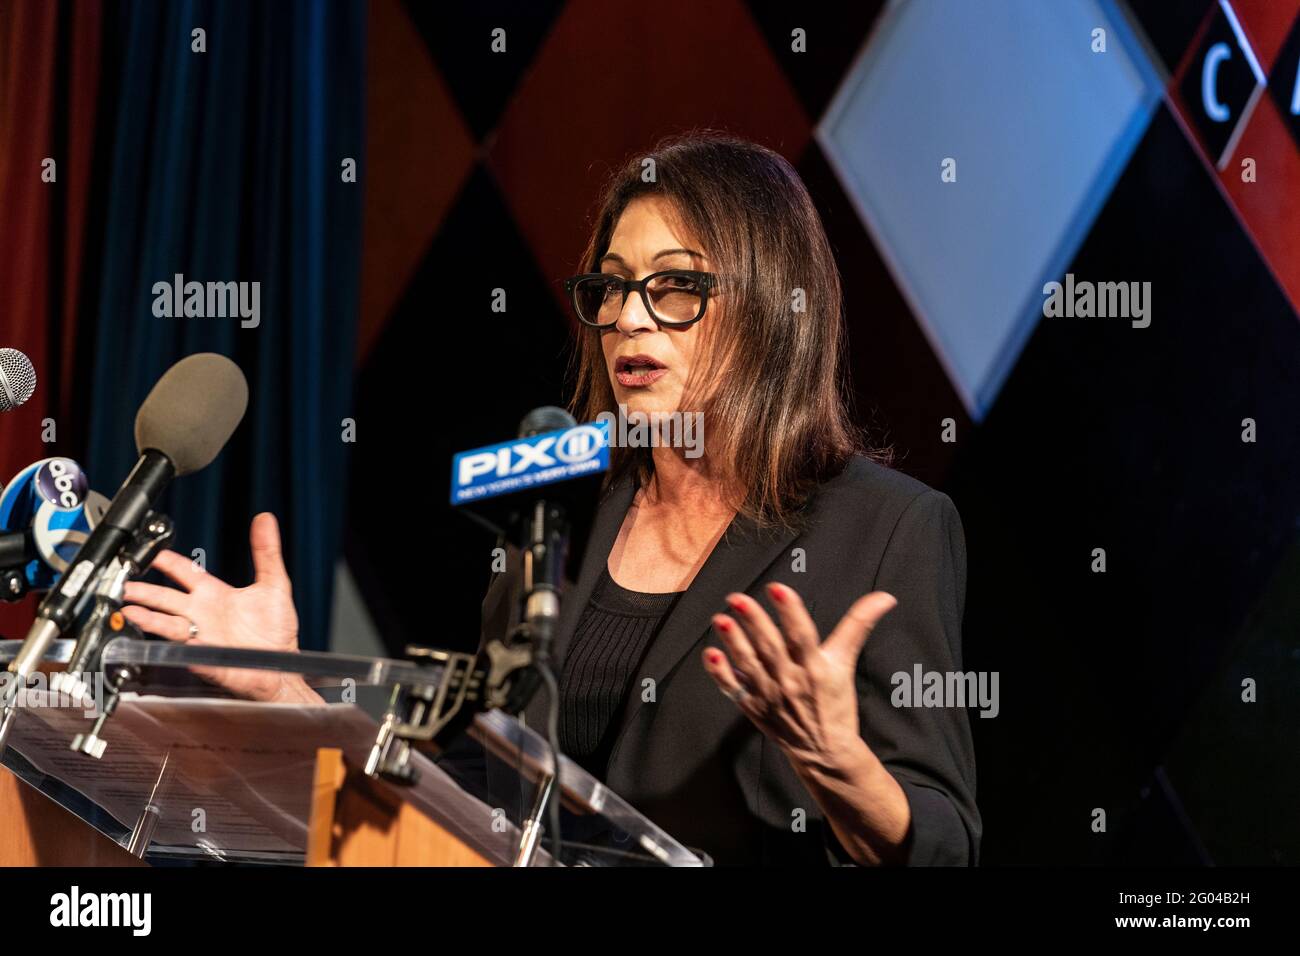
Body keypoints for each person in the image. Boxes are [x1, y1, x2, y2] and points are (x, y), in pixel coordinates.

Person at [123, 133, 980, 866]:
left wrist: (837, 766)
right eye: (612, 287)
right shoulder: (555, 517)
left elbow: (946, 841)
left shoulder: (882, 526)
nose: (630, 319)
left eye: (675, 286)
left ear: (769, 307)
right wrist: (286, 690)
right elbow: (469, 800)